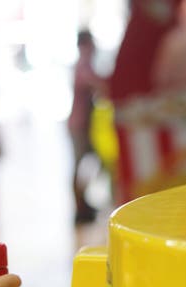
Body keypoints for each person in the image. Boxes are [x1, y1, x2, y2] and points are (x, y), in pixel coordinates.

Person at [68, 29, 106, 224]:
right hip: (79, 125)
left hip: (83, 124)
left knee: (89, 162)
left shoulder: (83, 64)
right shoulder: (83, 65)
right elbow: (98, 85)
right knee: (83, 163)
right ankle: (80, 205)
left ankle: (83, 202)